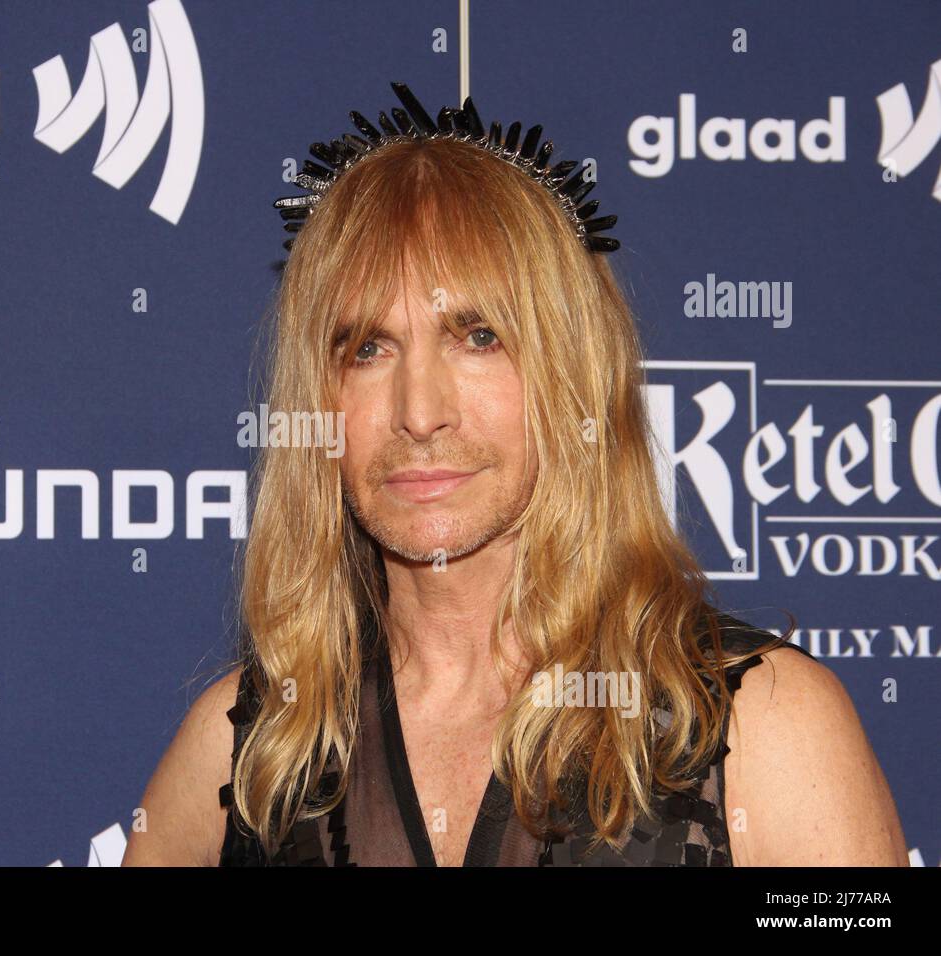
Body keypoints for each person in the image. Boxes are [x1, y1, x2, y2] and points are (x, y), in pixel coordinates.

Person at [121, 83, 909, 867]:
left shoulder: (764, 729)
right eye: (367, 349)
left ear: (574, 375)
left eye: (479, 336)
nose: (420, 412)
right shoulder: (246, 749)